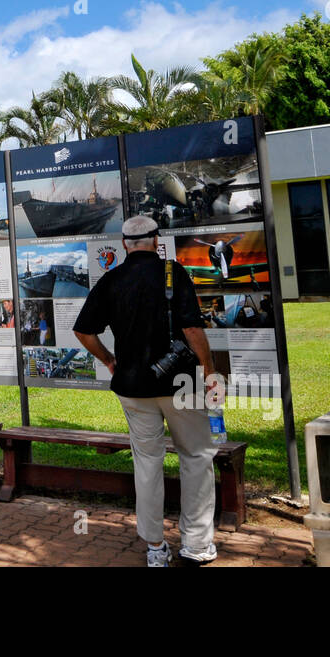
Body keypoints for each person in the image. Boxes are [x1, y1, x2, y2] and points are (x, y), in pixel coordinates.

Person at [73, 214, 221, 568]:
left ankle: (156, 547)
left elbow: (83, 331)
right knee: (197, 457)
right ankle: (197, 546)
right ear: (157, 240)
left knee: (148, 463)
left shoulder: (112, 280)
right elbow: (192, 329)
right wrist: (210, 372)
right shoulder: (175, 272)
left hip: (133, 387)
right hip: (181, 385)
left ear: (125, 243)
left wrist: (109, 359)